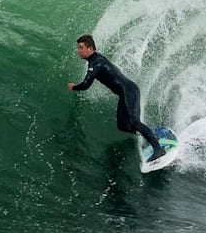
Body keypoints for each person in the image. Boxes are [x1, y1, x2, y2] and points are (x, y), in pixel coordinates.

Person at [66, 34, 166, 162]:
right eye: (78, 48)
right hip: (124, 94)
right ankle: (151, 135)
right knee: (123, 125)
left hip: (129, 91)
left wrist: (73, 87)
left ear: (90, 49)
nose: (78, 51)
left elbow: (86, 85)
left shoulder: (96, 63)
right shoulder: (95, 60)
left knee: (134, 122)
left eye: (81, 48)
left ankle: (158, 149)